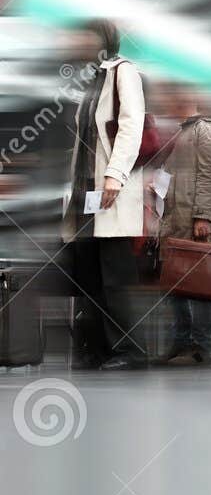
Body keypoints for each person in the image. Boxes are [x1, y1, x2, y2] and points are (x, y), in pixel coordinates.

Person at [61, 19, 149, 371]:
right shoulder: (86, 80)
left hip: (108, 189)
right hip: (85, 193)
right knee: (88, 275)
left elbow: (131, 124)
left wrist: (114, 175)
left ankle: (131, 351)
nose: (77, 41)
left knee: (114, 275)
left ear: (103, 41)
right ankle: (98, 348)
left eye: (85, 36)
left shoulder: (122, 72)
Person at [156, 84, 211, 366]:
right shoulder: (180, 132)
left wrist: (204, 216)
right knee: (177, 287)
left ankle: (201, 347)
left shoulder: (206, 130)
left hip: (194, 221)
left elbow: (210, 175)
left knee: (200, 287)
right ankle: (181, 343)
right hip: (176, 221)